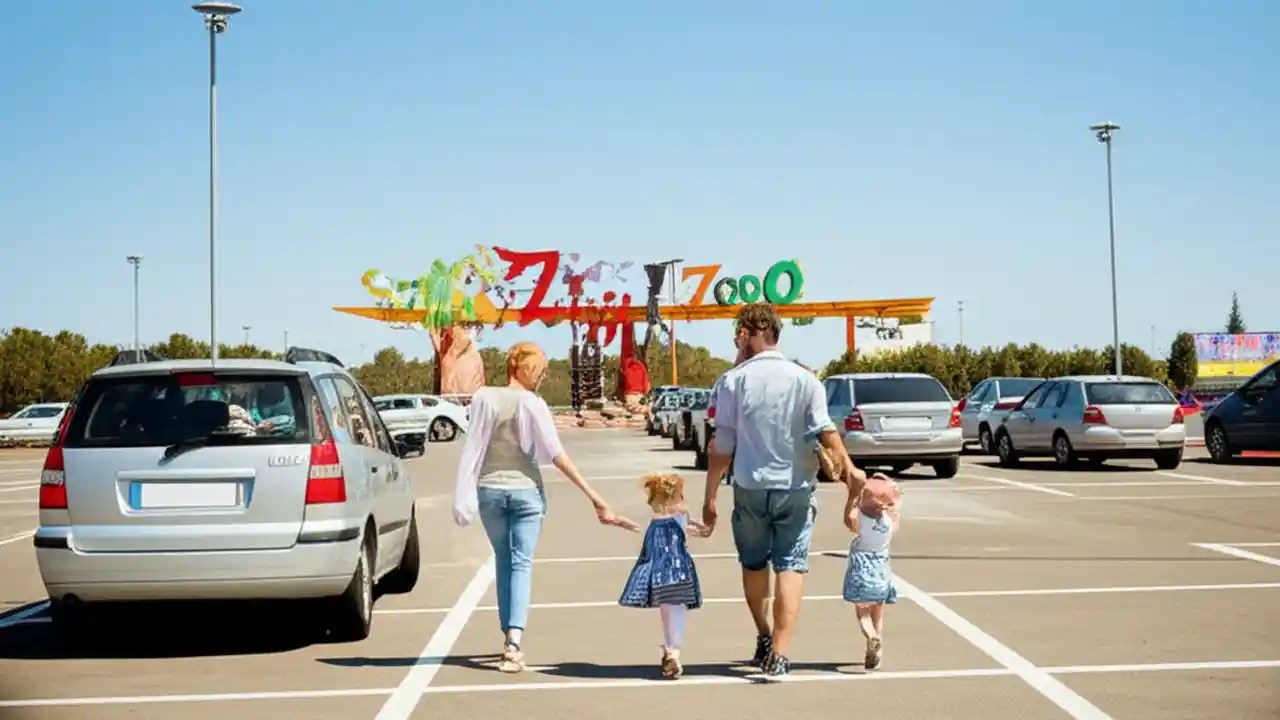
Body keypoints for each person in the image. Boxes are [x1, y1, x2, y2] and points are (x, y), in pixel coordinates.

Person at [701, 302, 867, 679]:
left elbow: (721, 447)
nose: (737, 339)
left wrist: (710, 497)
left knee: (754, 564)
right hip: (795, 486)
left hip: (749, 486)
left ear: (752, 332)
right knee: (790, 565)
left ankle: (763, 635)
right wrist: (849, 471)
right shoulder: (806, 380)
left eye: (740, 333)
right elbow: (825, 432)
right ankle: (780, 653)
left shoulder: (731, 381)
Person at [453, 341, 640, 673]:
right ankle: (514, 642)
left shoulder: (484, 398)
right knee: (521, 563)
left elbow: (473, 449)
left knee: (504, 562)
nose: (540, 377)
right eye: (538, 371)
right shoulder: (532, 404)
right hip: (526, 493)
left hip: (490, 492)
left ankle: (508, 637)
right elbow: (556, 455)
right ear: (525, 370)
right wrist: (595, 496)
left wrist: (463, 495)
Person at [618, 472, 710, 679]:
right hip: (679, 572)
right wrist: (703, 529)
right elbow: (693, 530)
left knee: (668, 611)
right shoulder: (680, 515)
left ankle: (671, 651)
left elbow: (647, 550)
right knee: (676, 611)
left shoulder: (654, 522)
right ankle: (672, 650)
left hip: (659, 574)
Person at [842, 475, 903, 671]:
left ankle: (872, 637)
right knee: (878, 609)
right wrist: (888, 485)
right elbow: (896, 500)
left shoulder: (860, 518)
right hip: (882, 569)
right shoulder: (889, 521)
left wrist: (853, 498)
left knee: (862, 611)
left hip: (862, 568)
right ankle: (879, 646)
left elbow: (848, 519)